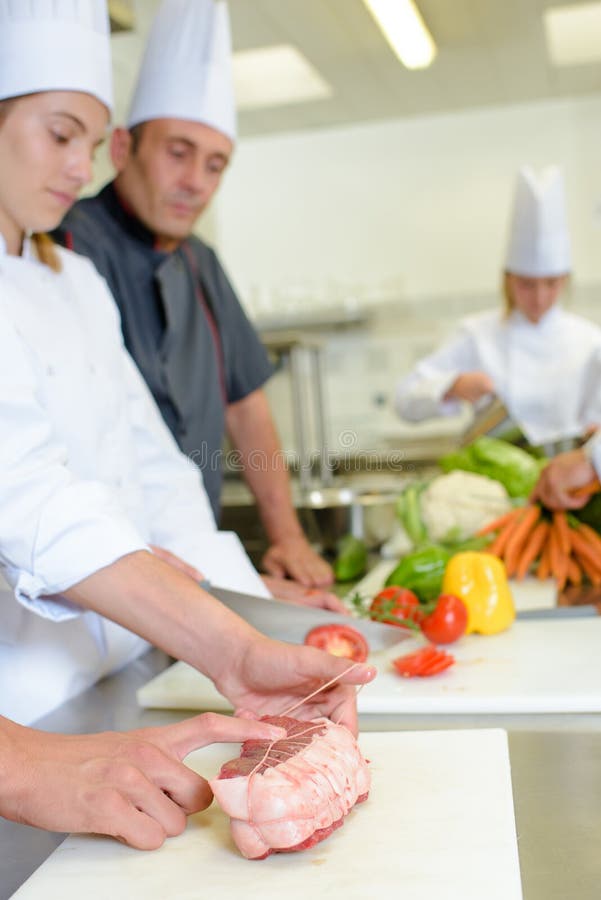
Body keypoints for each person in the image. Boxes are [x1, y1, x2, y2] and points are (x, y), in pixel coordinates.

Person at [0, 0, 375, 849]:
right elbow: (24, 490)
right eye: (59, 133)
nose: (76, 167)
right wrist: (227, 641)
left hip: (118, 670)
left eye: (88, 143)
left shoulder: (74, 280)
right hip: (22, 699)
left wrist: (239, 637)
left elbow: (158, 471)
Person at [54, 0, 334, 591]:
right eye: (178, 153)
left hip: (193, 560)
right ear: (125, 147)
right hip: (97, 575)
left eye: (215, 166)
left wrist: (285, 535)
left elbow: (246, 406)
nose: (196, 184)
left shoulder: (200, 262)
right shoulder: (65, 245)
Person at [395, 166, 601, 448]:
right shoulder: (477, 335)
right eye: (527, 285)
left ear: (566, 280)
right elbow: (404, 400)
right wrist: (453, 385)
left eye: (551, 284)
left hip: (570, 486)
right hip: (494, 486)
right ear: (508, 279)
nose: (539, 297)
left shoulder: (590, 340)